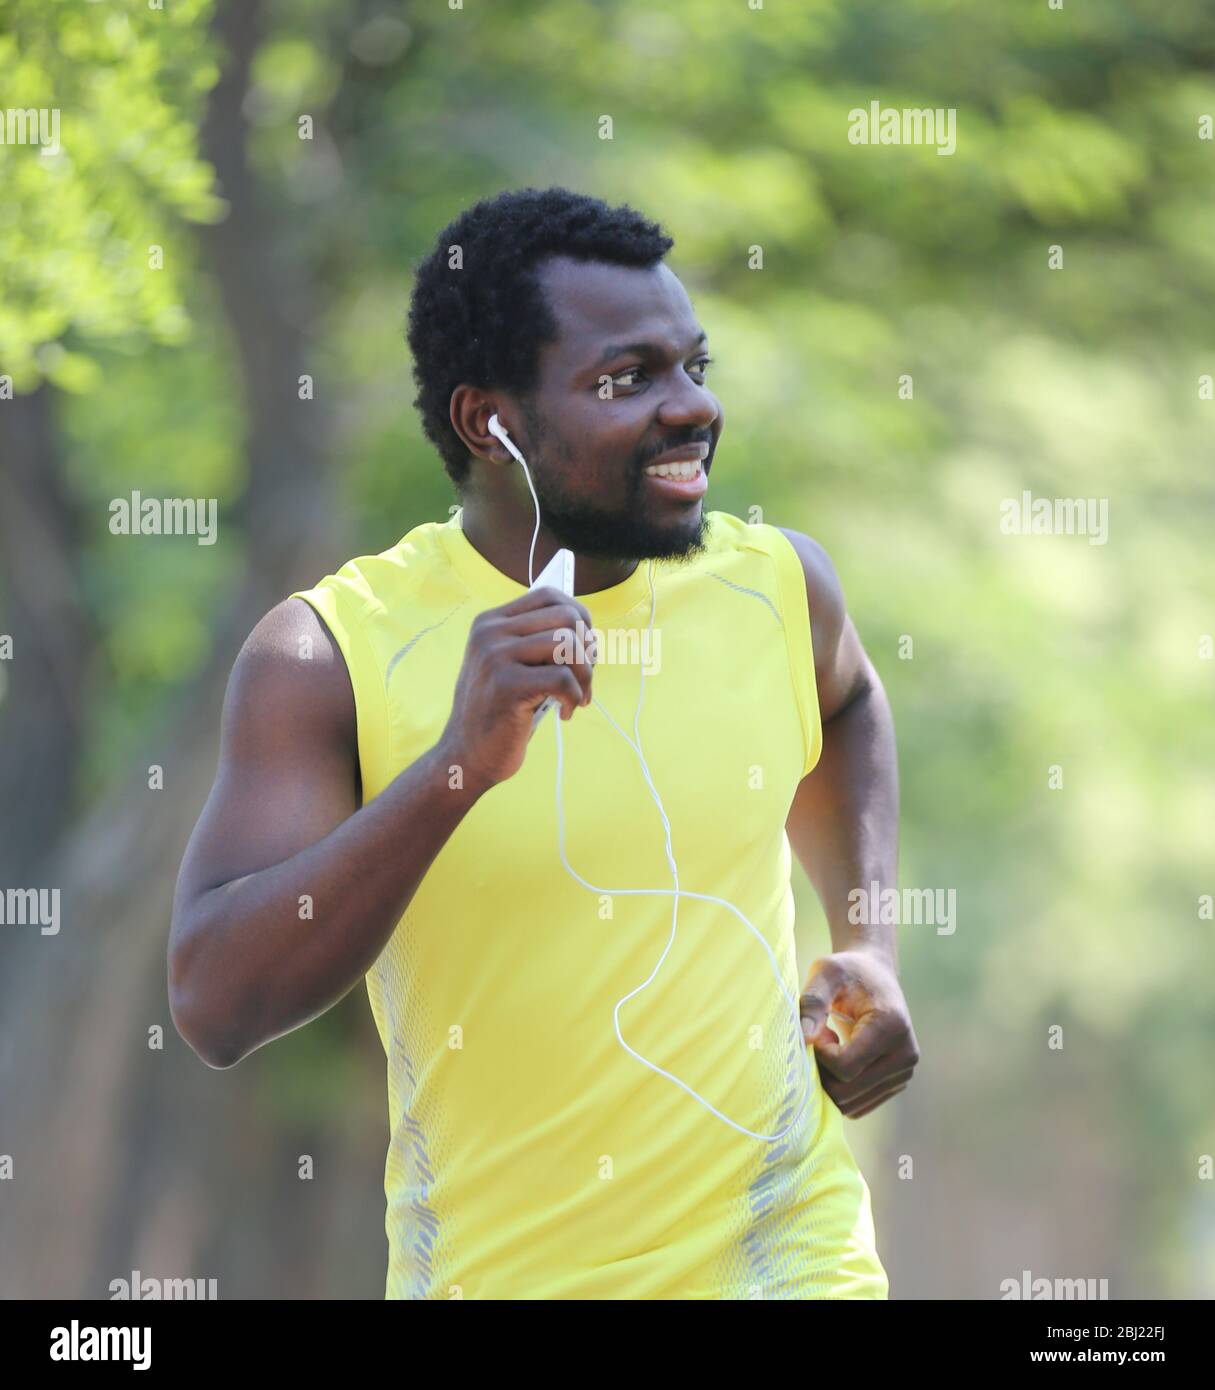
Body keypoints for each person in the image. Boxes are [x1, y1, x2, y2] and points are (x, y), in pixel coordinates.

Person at [168, 185, 917, 1299]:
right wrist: (455, 767)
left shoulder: (776, 588)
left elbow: (849, 705)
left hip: (786, 1264)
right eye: (629, 380)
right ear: (491, 423)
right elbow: (216, 1002)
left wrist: (870, 938)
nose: (690, 410)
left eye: (693, 368)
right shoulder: (331, 653)